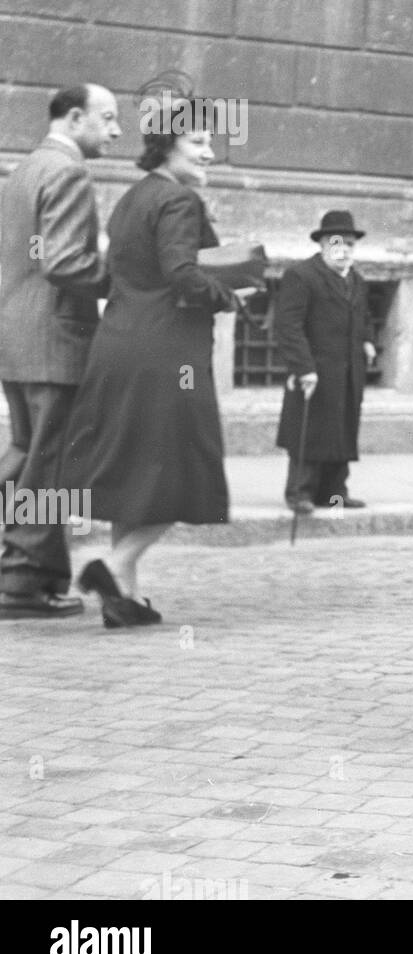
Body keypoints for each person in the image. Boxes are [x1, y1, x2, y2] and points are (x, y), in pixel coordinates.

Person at [63, 125, 237, 627]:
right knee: (182, 467)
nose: (210, 152)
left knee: (136, 469)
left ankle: (127, 600)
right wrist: (230, 295)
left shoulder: (132, 198)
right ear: (166, 147)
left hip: (119, 346)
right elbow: (182, 273)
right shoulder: (180, 201)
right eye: (199, 143)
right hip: (168, 355)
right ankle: (112, 567)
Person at [0, 84, 121, 619]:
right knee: (50, 467)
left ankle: (26, 569)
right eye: (109, 119)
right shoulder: (69, 172)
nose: (116, 132)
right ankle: (24, 581)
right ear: (76, 118)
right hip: (57, 339)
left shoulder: (25, 169)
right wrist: (124, 279)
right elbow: (66, 263)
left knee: (27, 454)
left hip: (18, 336)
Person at [275, 211, 376, 513]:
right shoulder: (302, 276)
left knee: (342, 430)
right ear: (321, 244)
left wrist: (367, 340)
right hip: (315, 370)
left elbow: (364, 316)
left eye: (349, 243)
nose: (343, 249)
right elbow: (288, 326)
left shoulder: (356, 279)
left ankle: (334, 494)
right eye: (336, 242)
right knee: (311, 431)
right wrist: (303, 367)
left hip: (348, 372)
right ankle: (300, 493)